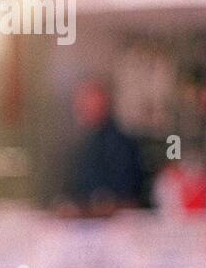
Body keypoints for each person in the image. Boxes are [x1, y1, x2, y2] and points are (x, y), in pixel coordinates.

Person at [63, 80, 147, 216]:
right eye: (81, 103)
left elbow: (129, 198)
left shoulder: (121, 144)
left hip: (115, 227)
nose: (82, 108)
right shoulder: (82, 144)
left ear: (104, 103)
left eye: (89, 103)